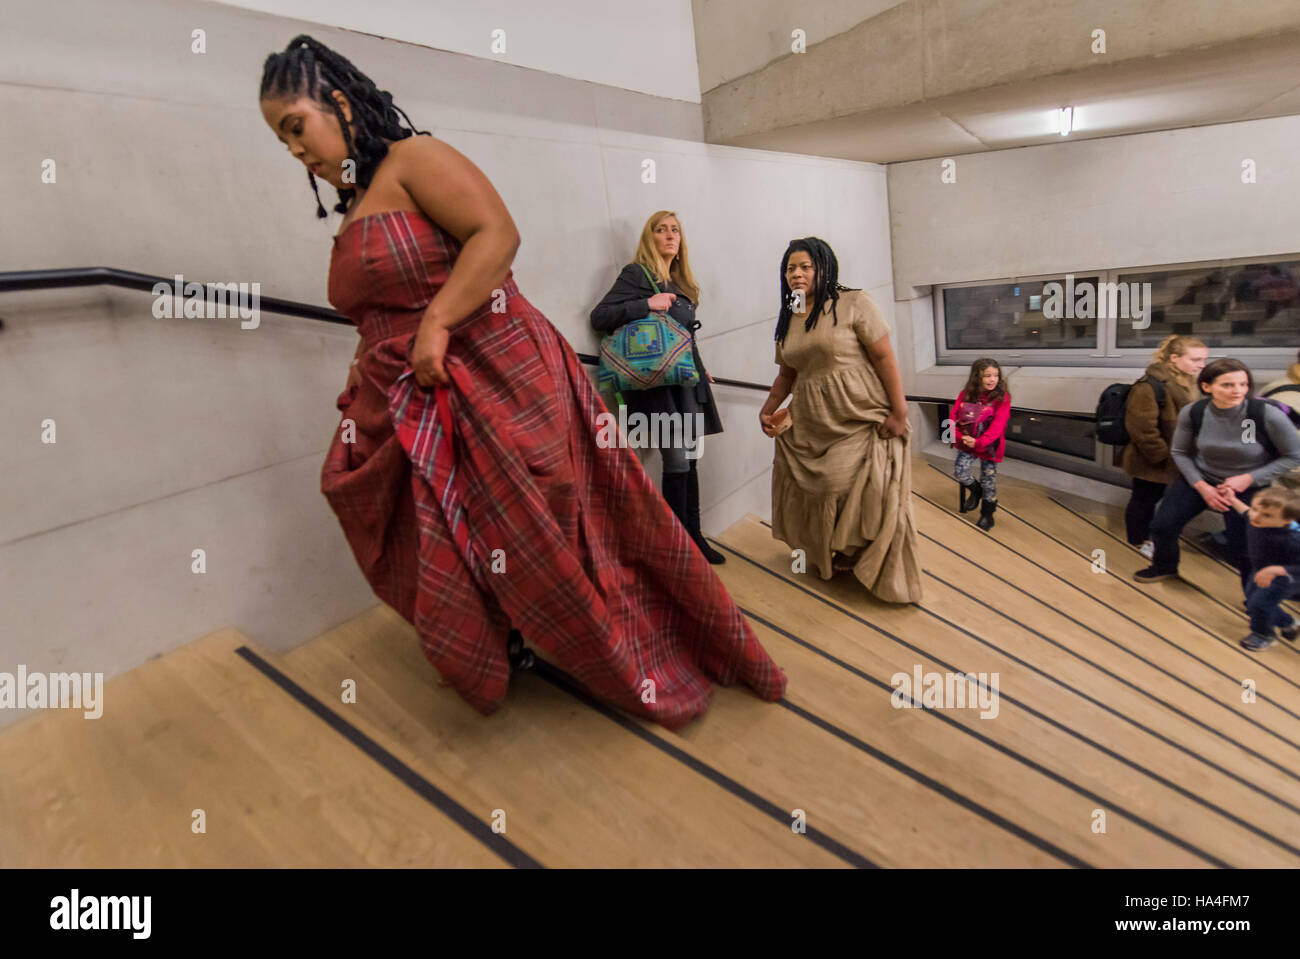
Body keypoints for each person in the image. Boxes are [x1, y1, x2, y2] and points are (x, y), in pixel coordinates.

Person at [259, 35, 785, 729]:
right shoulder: (355, 209)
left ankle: (639, 642)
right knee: (442, 527)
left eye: (296, 126)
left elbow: (496, 234)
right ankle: (497, 641)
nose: (295, 149)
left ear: (335, 101)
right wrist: (366, 366)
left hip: (501, 373)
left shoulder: (413, 161)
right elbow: (378, 311)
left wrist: (438, 321)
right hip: (412, 397)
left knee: (555, 525)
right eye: (280, 138)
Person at [759, 237, 922, 603]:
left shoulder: (853, 303)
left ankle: (868, 559)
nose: (796, 274)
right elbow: (787, 374)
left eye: (805, 266)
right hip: (812, 418)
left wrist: (900, 410)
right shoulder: (791, 313)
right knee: (819, 488)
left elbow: (884, 359)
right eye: (790, 268)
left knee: (857, 485)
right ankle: (832, 552)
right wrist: (768, 408)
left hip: (859, 411)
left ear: (823, 268)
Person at [589, 211, 725, 564]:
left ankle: (694, 539)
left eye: (675, 230)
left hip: (685, 382)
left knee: (691, 459)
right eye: (661, 230)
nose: (669, 236)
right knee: (677, 460)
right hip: (653, 387)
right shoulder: (637, 275)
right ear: (650, 238)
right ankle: (675, 552)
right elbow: (599, 317)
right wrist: (646, 304)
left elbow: (682, 337)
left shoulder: (681, 283)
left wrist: (700, 366)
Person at [1134, 358, 1300, 587]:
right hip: (1203, 479)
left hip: (1248, 486)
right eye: (1227, 385)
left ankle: (1254, 596)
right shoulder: (1194, 412)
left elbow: (1294, 455)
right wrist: (1201, 486)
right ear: (1207, 387)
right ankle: (1164, 567)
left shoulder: (1264, 414)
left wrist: (1249, 478)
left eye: (1243, 384)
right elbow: (1180, 452)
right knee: (1163, 526)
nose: (1237, 391)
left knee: (1244, 547)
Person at [1119, 335, 1207, 557]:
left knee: (1161, 500)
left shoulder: (1191, 384)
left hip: (1179, 458)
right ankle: (1138, 540)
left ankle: (1157, 536)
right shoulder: (1150, 386)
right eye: (1196, 359)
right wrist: (1162, 456)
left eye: (1203, 360)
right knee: (1144, 500)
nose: (1202, 365)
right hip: (1154, 460)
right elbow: (1142, 428)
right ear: (1175, 358)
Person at [1220, 484, 1300, 651]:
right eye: (1255, 509)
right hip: (1261, 570)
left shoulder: (1291, 539)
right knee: (1253, 601)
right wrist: (1232, 499)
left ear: (1287, 521)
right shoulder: (1256, 519)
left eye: (1267, 515)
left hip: (1286, 579)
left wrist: (1277, 570)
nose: (1256, 516)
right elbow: (1245, 511)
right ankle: (1289, 624)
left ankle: (1263, 635)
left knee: (1259, 604)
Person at [950, 358, 1011, 531]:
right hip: (966, 442)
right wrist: (960, 437)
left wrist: (979, 442)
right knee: (960, 472)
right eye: (987, 376)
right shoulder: (966, 394)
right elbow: (953, 417)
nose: (993, 379)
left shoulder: (1002, 398)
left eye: (996, 375)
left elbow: (998, 426)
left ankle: (987, 515)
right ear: (977, 377)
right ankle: (976, 491)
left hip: (989, 446)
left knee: (989, 480)